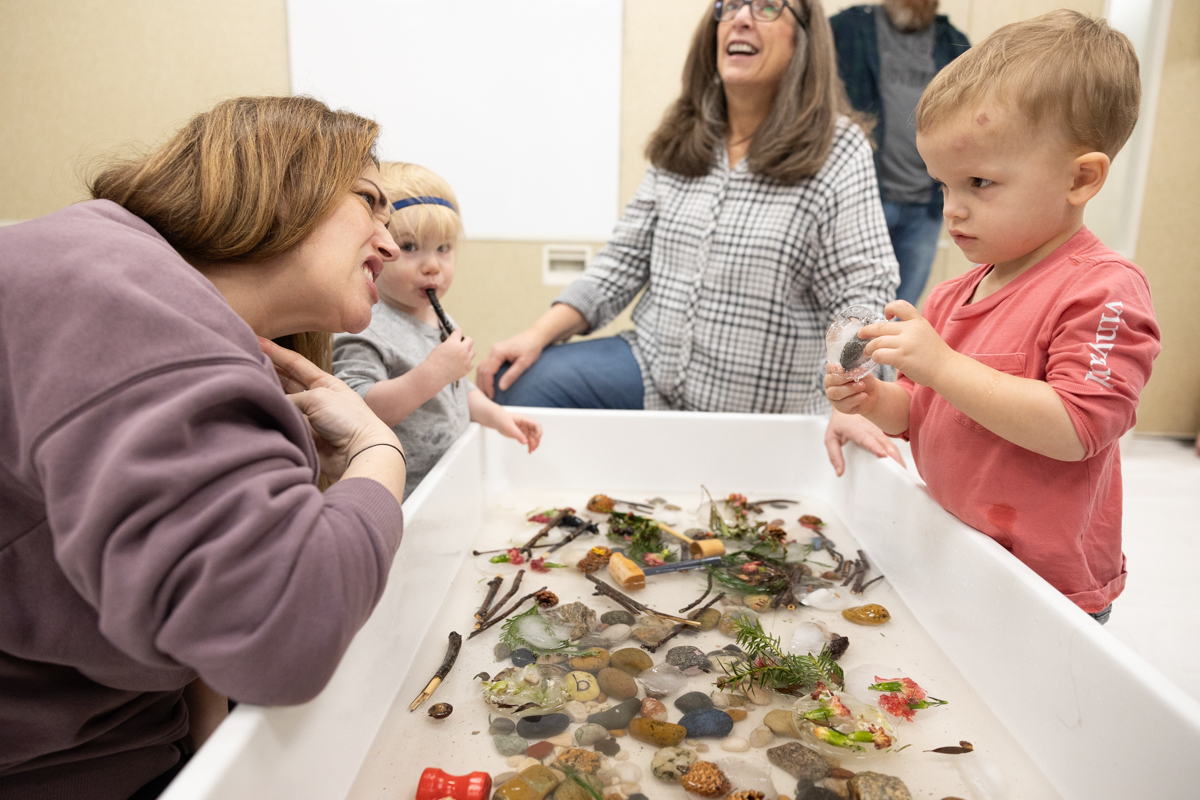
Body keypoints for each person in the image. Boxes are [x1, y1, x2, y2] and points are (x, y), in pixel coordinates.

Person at [0, 96, 408, 799]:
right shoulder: (110, 289)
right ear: (282, 179)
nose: (391, 242)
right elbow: (276, 629)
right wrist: (379, 454)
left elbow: (190, 618)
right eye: (370, 200)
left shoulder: (165, 307)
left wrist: (214, 755)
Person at [824, 11, 1161, 623]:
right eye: (943, 186)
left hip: (1047, 591)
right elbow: (928, 414)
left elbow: (1077, 428)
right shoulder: (954, 295)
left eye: (980, 182)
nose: (952, 211)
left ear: (1080, 178)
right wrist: (872, 400)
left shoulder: (1104, 290)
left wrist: (943, 365)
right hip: (956, 552)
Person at [477, 0, 903, 474]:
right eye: (729, 6)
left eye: (766, 7)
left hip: (760, 406)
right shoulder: (685, 136)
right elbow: (621, 261)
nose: (740, 17)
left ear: (803, 40)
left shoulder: (837, 150)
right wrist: (536, 336)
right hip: (652, 371)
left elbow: (862, 292)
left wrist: (854, 396)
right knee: (512, 386)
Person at [334, 163, 542, 499]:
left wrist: (499, 418)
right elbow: (355, 410)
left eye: (443, 249)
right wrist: (433, 373)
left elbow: (458, 390)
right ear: (378, 248)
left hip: (448, 482)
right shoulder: (364, 325)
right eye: (411, 246)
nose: (433, 265)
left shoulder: (440, 316)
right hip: (403, 496)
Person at [830, 0, 969, 306]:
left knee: (898, 317)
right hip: (861, 200)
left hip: (927, 207)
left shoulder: (955, 47)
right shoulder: (847, 29)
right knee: (852, 315)